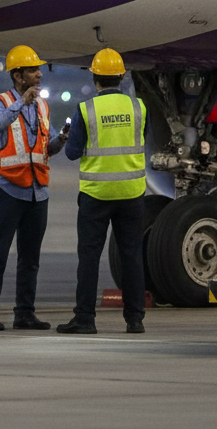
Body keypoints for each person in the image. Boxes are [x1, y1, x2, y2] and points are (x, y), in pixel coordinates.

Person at [56, 48, 147, 335]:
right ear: (121, 77)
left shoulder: (85, 110)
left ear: (95, 77)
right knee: (131, 256)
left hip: (96, 194)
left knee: (89, 258)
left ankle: (85, 319)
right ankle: (135, 320)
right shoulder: (139, 107)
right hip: (132, 192)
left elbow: (71, 153)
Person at [0, 45, 69, 331]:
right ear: (18, 76)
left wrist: (63, 139)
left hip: (36, 190)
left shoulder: (42, 105)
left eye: (38, 69)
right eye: (33, 70)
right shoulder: (0, 102)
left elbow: (46, 146)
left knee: (30, 259)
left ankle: (25, 313)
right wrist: (20, 103)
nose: (39, 74)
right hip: (7, 189)